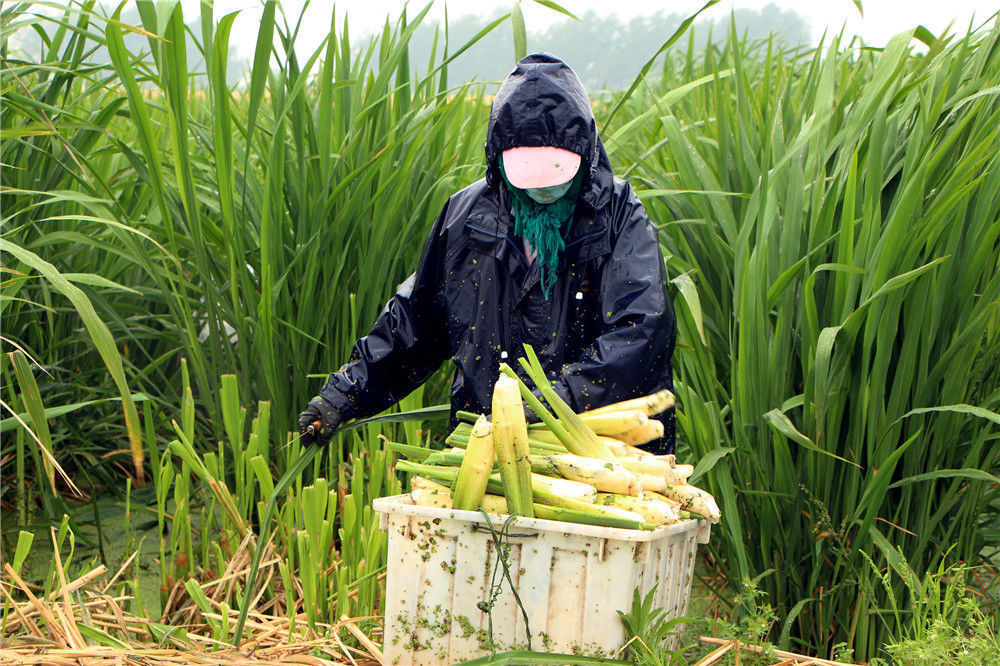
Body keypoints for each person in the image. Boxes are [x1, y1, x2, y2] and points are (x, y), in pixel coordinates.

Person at [298, 53, 677, 454]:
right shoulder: (466, 219)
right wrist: (344, 394)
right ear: (499, 158)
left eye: (554, 170)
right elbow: (414, 323)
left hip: (602, 454)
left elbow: (640, 330)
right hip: (486, 447)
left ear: (585, 152)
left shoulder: (617, 216)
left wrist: (551, 404)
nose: (542, 187)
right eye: (528, 172)